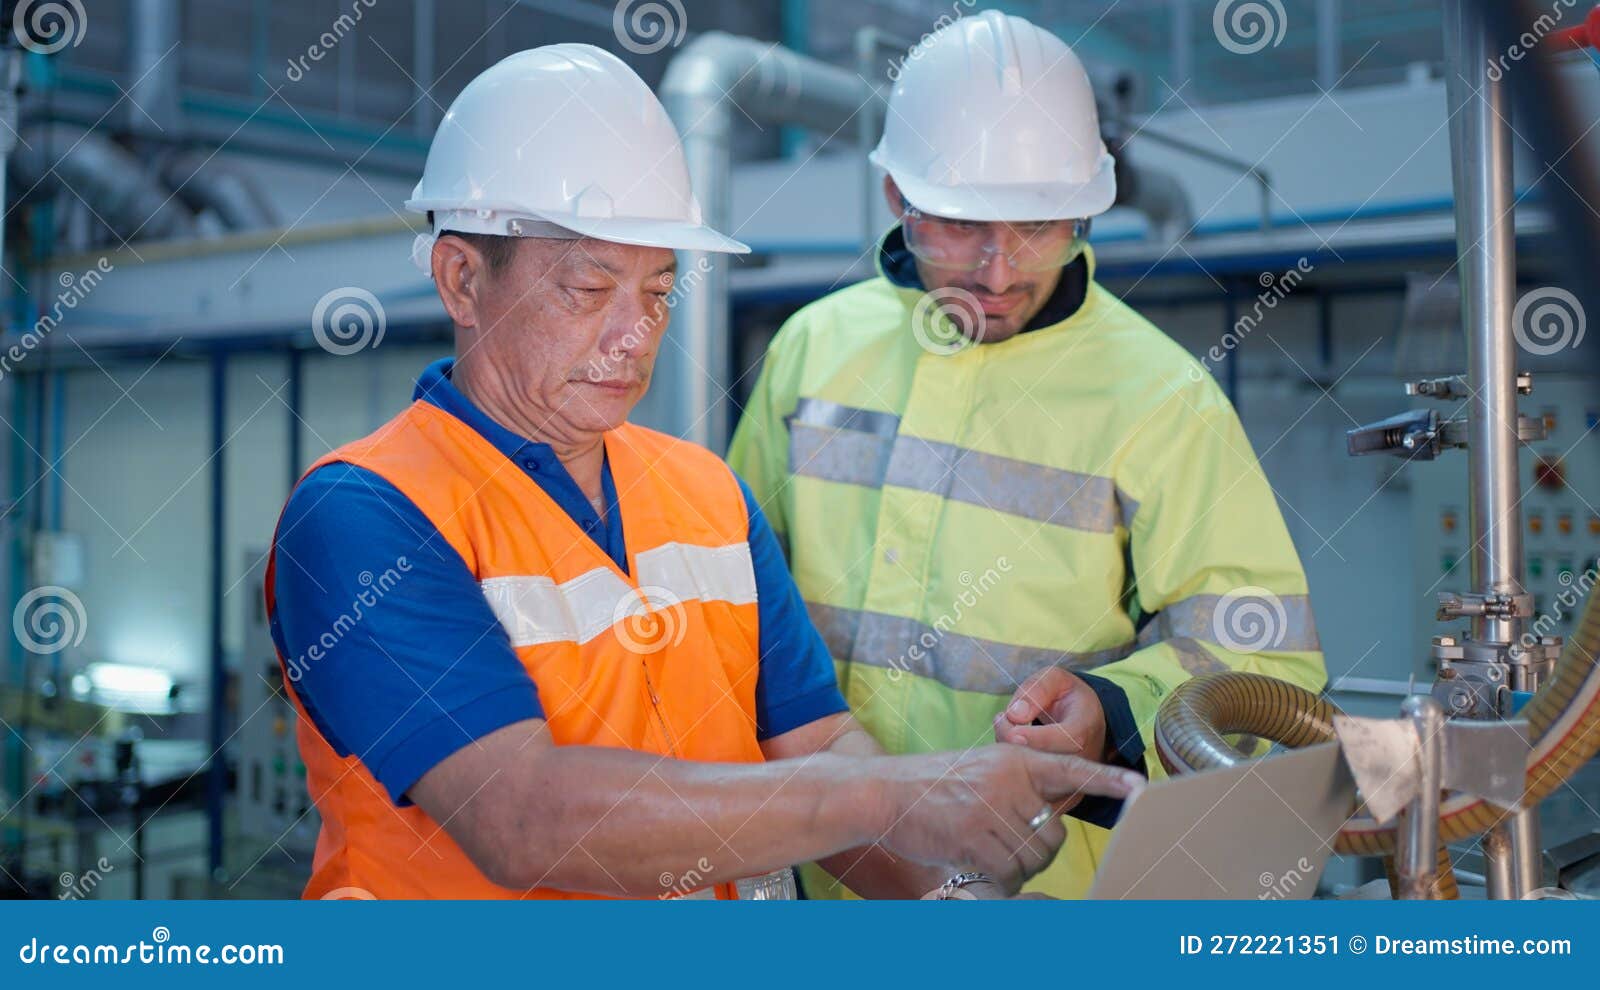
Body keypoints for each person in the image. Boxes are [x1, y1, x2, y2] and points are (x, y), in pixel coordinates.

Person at [266, 43, 1140, 901]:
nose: (635, 335)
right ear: (462, 279)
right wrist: (895, 794)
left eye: (657, 290)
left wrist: (954, 898)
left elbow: (818, 741)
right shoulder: (363, 514)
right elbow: (520, 817)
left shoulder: (705, 491)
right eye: (586, 288)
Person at [727, 11, 1327, 899]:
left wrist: (1115, 715)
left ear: (1087, 207)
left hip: (1038, 903)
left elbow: (1269, 670)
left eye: (1042, 225)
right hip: (820, 884)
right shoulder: (811, 349)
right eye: (963, 226)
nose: (1001, 269)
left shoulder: (1163, 397)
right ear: (899, 198)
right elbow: (728, 596)